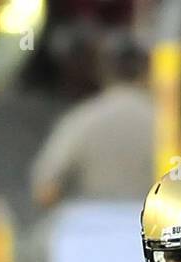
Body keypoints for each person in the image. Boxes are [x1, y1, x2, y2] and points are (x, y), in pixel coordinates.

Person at [30, 32, 153, 208]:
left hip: (93, 226)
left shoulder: (82, 119)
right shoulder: (168, 122)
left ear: (102, 70)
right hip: (154, 224)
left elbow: (44, 190)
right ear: (147, 70)